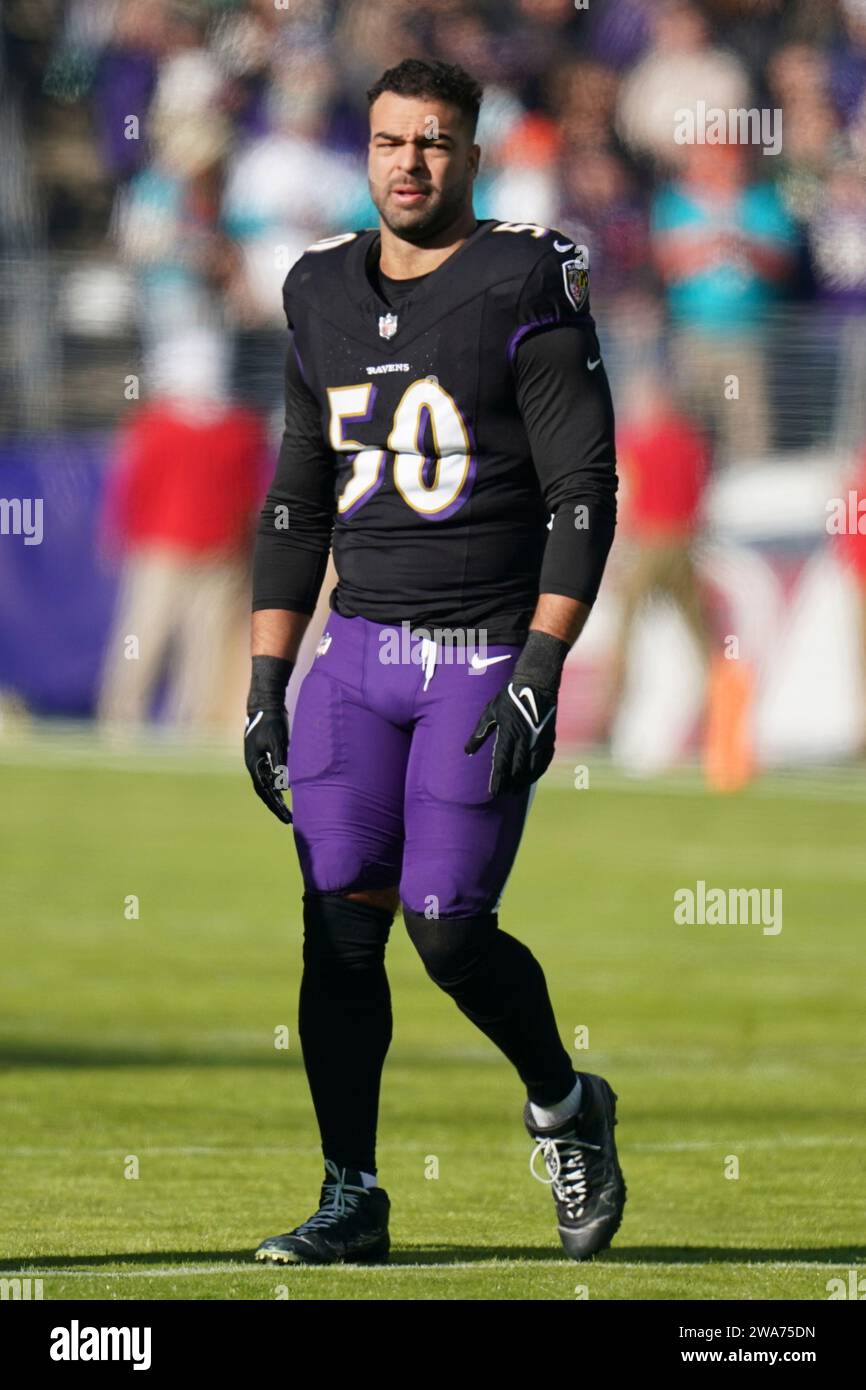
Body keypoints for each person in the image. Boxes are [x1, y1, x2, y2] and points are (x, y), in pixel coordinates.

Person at [244, 58, 623, 1267]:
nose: (410, 163)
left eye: (436, 143)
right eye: (391, 142)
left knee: (447, 925)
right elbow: (300, 495)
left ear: (473, 154)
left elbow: (580, 490)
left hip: (477, 651)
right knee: (338, 920)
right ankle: (350, 1190)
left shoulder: (523, 274)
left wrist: (544, 660)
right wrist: (264, 678)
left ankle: (564, 1104)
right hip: (355, 656)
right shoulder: (315, 288)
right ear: (365, 152)